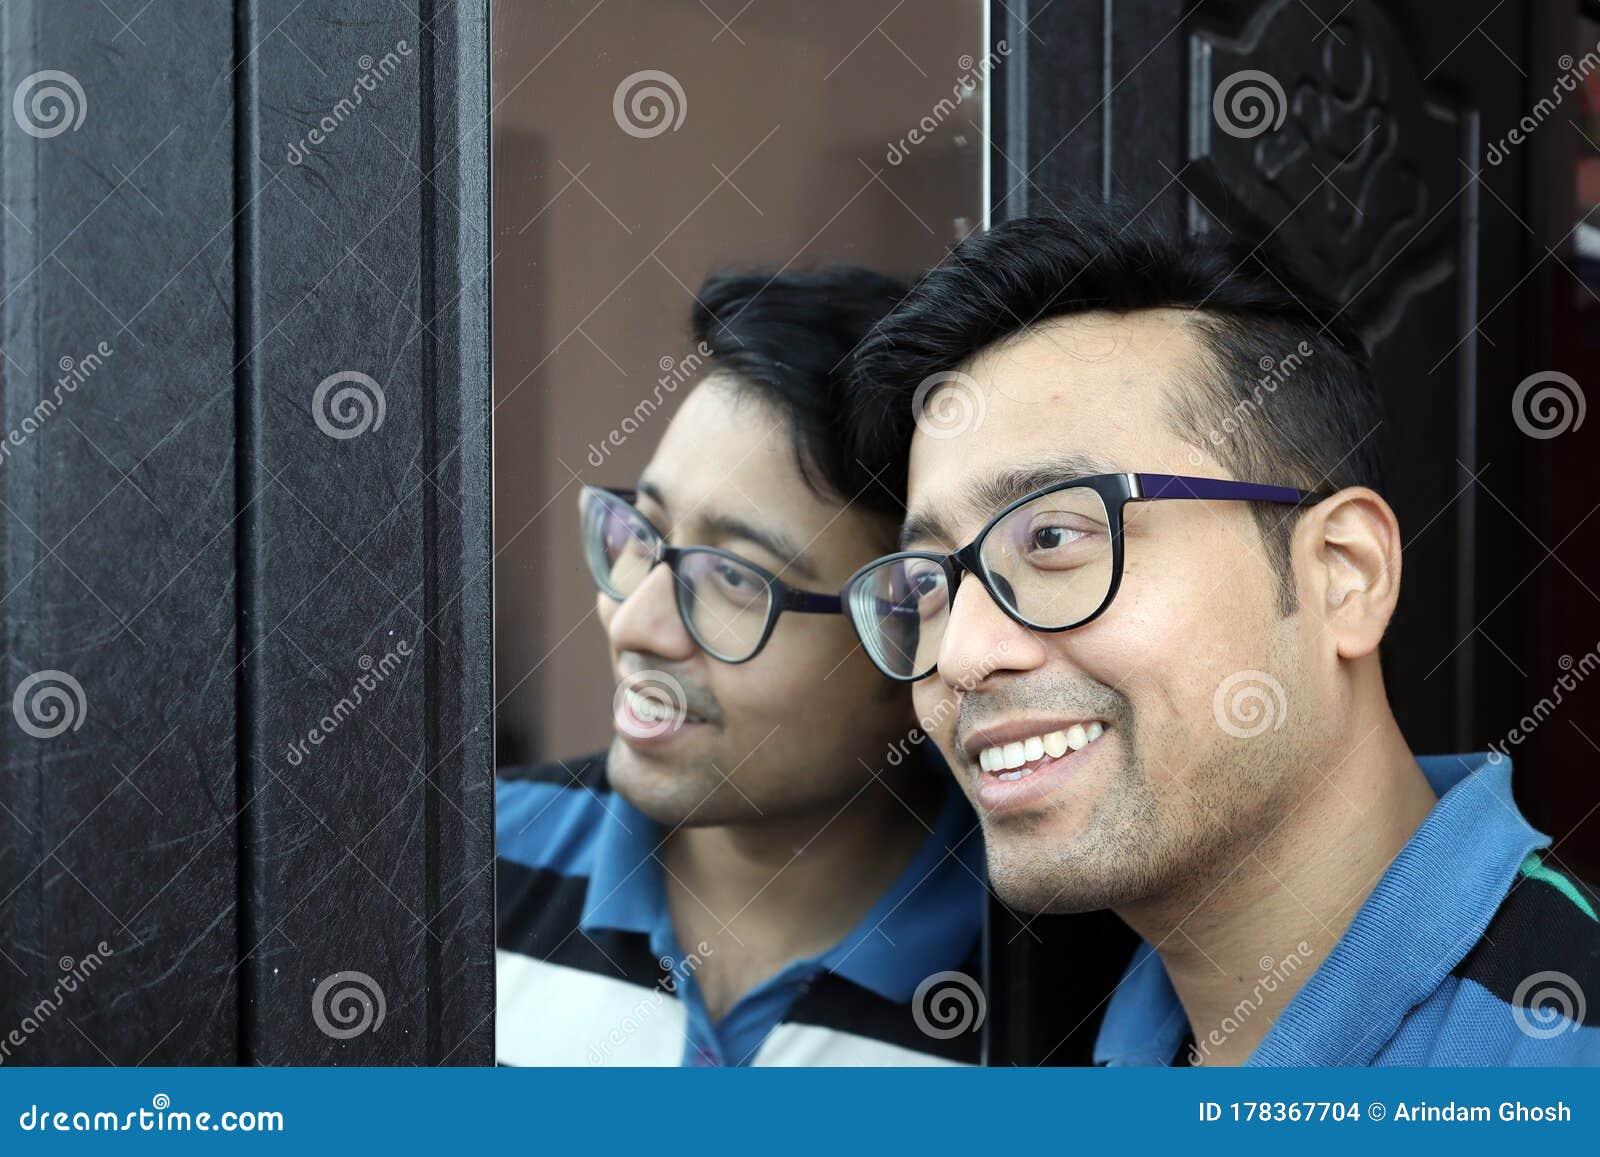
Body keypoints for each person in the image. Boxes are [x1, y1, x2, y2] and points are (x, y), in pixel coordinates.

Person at [840, 205, 1600, 1066]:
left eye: (1053, 538)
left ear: (1342, 574)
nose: (963, 655)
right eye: (929, 583)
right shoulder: (1141, 1029)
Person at [496, 268, 984, 1066]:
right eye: (644, 534)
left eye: (734, 576)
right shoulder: (464, 864)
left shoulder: (1065, 982)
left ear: (920, 636)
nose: (638, 624)